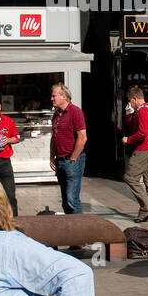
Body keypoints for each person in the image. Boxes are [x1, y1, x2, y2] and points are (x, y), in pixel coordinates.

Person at [121, 86, 148, 223]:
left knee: (130, 178)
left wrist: (128, 139)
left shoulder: (143, 111)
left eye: (130, 101)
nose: (129, 104)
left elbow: (142, 133)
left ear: (134, 99)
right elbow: (134, 127)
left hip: (142, 150)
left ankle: (146, 207)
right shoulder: (146, 109)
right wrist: (129, 114)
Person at [49, 83, 87, 214]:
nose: (51, 99)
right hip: (60, 160)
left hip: (72, 160)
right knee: (65, 199)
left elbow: (82, 137)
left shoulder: (75, 112)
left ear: (63, 96)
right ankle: (70, 227)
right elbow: (54, 137)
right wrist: (51, 157)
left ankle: (80, 228)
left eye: (54, 96)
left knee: (72, 198)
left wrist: (73, 158)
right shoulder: (56, 115)